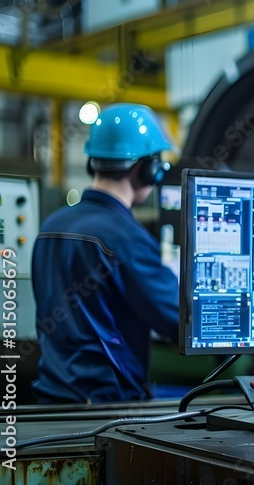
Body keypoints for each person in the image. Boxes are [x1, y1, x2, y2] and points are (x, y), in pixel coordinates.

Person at [32, 103, 180, 404]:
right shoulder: (126, 238)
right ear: (146, 168)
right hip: (105, 408)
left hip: (50, 401)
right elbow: (179, 319)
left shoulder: (50, 226)